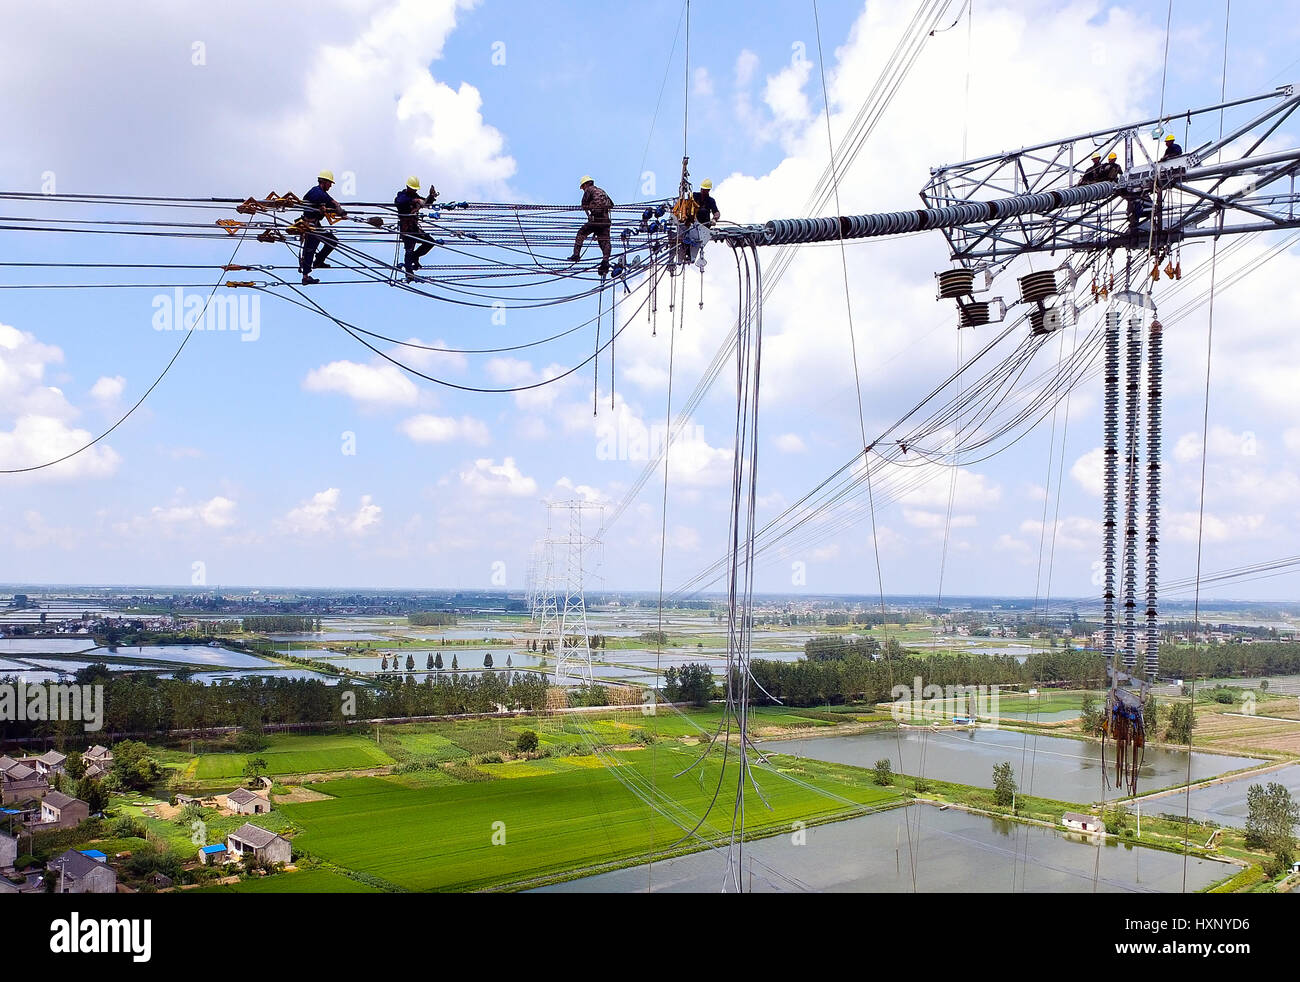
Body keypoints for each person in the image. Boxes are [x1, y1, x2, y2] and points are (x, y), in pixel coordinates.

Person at [300, 169, 348, 285]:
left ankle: (319, 261)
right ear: (324, 182)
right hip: (309, 225)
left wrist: (338, 209)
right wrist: (336, 206)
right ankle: (305, 277)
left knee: (332, 241)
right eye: (330, 183)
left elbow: (328, 201)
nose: (331, 186)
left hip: (316, 224)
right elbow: (326, 200)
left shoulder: (321, 193)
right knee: (309, 250)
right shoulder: (315, 192)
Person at [394, 176, 437, 283]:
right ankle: (409, 273)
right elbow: (400, 201)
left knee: (430, 242)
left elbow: (425, 203)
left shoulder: (415, 195)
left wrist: (431, 196)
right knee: (409, 250)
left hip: (415, 228)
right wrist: (415, 200)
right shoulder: (402, 195)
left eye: (415, 189)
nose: (414, 191)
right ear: (408, 187)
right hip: (406, 229)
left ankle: (415, 256)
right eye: (413, 189)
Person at [568, 176, 613, 275]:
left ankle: (576, 255)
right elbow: (611, 204)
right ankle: (605, 261)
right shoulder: (602, 191)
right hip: (605, 221)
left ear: (586, 184)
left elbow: (583, 204)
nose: (583, 189)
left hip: (596, 218)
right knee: (604, 241)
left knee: (581, 233)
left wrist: (590, 213)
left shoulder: (589, 190)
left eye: (583, 187)